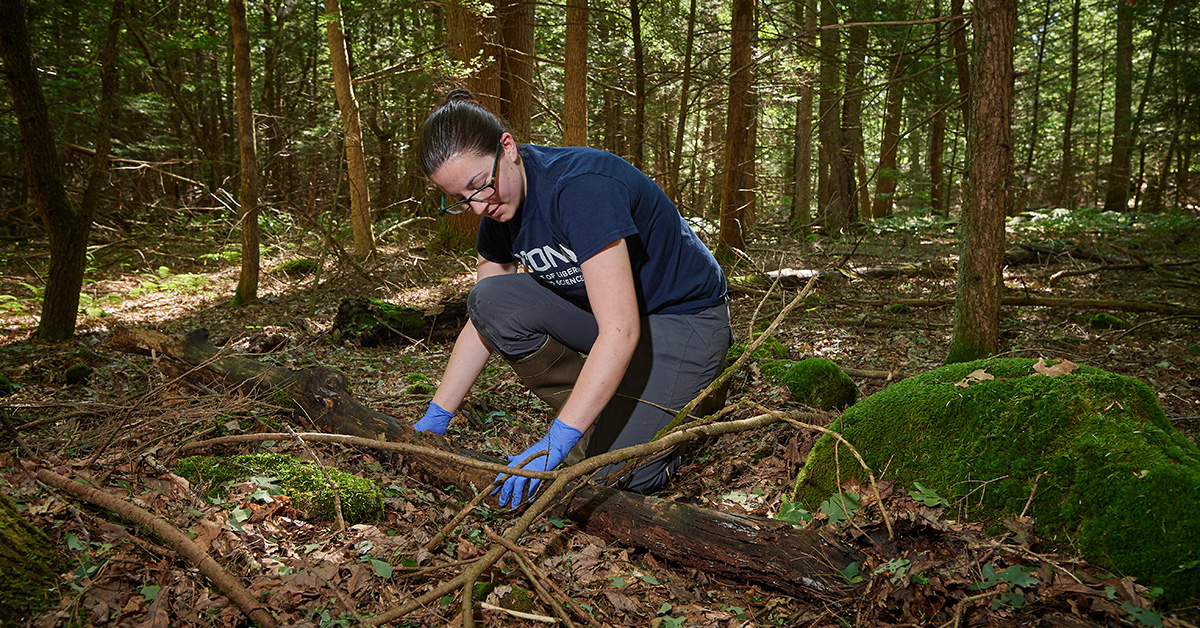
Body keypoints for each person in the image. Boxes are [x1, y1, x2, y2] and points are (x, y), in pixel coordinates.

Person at [412, 89, 731, 508]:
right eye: (460, 200)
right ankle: (599, 412)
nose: (476, 208)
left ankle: (667, 404)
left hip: (683, 321)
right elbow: (484, 317)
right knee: (489, 297)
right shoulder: (498, 206)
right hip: (608, 315)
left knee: (616, 477)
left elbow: (621, 328)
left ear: (507, 147)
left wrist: (557, 440)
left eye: (478, 186)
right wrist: (436, 419)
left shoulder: (580, 188)